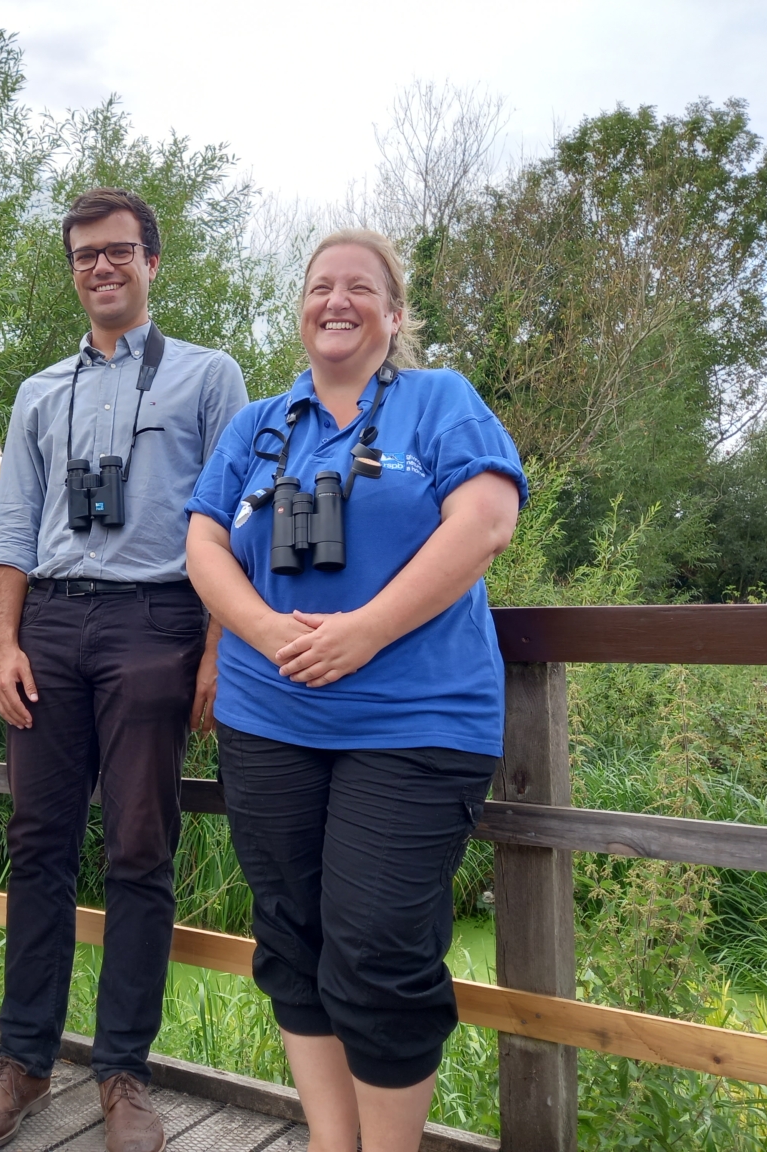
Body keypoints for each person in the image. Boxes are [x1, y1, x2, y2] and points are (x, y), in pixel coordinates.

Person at [184, 228, 526, 1152]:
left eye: (360, 288)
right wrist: (259, 631)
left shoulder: (439, 401)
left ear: (394, 313)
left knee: (378, 945)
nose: (337, 301)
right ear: (299, 308)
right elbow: (203, 543)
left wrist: (367, 630)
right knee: (292, 940)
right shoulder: (258, 424)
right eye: (319, 286)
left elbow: (488, 517)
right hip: (268, 718)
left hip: (417, 720)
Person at [0, 188, 248, 1152]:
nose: (101, 269)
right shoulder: (40, 392)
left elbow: (234, 519)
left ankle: (124, 1073)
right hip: (49, 628)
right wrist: (4, 639)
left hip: (157, 620)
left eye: (119, 252)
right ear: (72, 270)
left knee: (137, 849)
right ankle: (23, 1062)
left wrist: (215, 646)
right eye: (84, 256)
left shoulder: (208, 379)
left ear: (152, 263)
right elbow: (11, 529)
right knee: (37, 845)